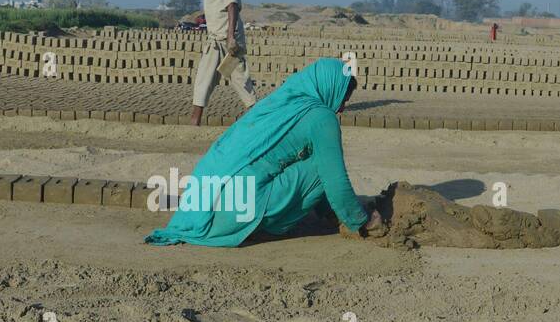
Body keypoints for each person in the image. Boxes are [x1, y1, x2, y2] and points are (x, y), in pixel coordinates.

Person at [146, 58, 383, 247]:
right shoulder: (321, 117)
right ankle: (259, 228)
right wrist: (363, 221)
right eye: (343, 99)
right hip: (235, 213)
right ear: (330, 89)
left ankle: (326, 214)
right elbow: (335, 181)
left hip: (199, 208)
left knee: (312, 160)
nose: (341, 108)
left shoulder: (279, 102)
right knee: (322, 166)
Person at [190, 0, 257, 125]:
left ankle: (194, 123)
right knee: (240, 82)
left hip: (222, 37)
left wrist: (229, 37)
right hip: (227, 33)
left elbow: (231, 3)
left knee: (205, 79)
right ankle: (258, 120)